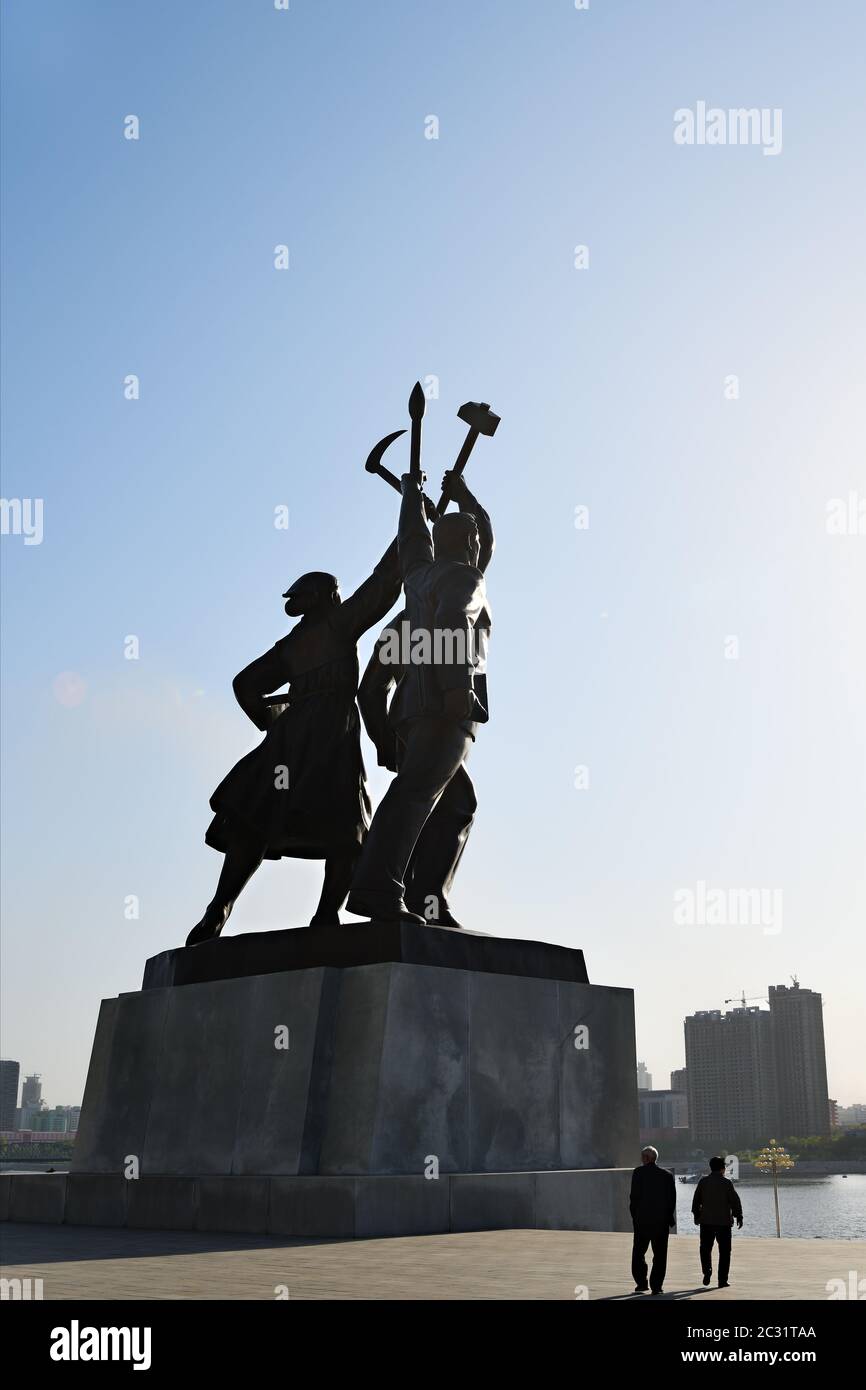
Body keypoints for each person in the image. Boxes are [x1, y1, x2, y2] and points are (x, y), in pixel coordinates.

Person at [186, 531, 401, 945]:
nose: (293, 604)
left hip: (290, 736)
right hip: (333, 735)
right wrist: (411, 529)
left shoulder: (291, 644)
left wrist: (272, 721)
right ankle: (325, 916)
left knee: (256, 819)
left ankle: (218, 910)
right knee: (349, 829)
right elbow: (385, 581)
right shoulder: (339, 625)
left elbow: (245, 685)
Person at [346, 469, 492, 926]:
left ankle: (426, 896)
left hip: (408, 717)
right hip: (445, 710)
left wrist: (412, 491)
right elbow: (454, 624)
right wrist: (457, 689)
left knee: (455, 802)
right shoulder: (463, 582)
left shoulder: (414, 589)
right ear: (467, 545)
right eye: (474, 540)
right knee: (415, 795)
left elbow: (371, 687)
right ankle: (378, 890)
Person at [629, 1145, 677, 1295]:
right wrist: (670, 1218)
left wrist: (635, 1216)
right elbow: (672, 1200)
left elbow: (634, 1198)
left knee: (638, 1253)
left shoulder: (638, 1173)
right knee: (660, 1255)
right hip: (661, 1222)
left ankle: (641, 1283)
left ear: (645, 1158)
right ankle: (656, 1286)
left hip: (642, 1221)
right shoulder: (667, 1175)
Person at [692, 1155, 743, 1288]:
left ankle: (707, 1271)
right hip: (724, 1223)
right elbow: (735, 1201)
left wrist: (696, 1216)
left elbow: (696, 1201)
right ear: (723, 1169)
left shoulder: (703, 1182)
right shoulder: (727, 1183)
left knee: (705, 1249)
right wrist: (739, 1216)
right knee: (725, 1252)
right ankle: (722, 1280)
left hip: (706, 1222)